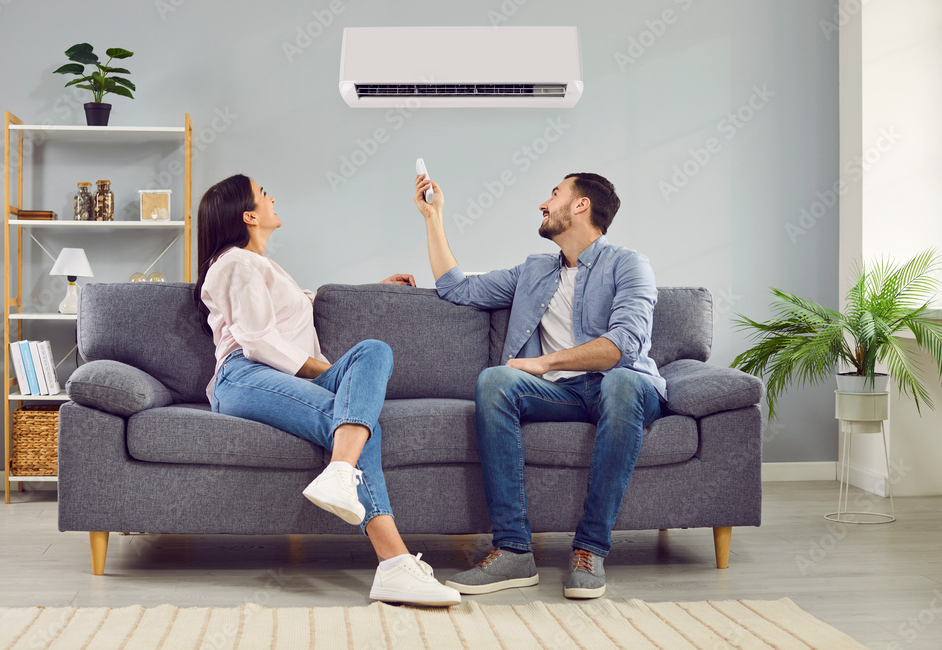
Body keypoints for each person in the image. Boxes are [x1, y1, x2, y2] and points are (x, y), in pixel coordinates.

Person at [195, 173, 460, 607]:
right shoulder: (236, 263)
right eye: (264, 194)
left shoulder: (261, 266)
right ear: (248, 216)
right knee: (355, 422)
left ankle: (340, 473)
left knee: (373, 353)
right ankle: (394, 563)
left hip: (281, 377)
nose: (272, 196)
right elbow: (259, 342)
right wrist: (329, 371)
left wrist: (376, 290)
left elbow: (301, 307)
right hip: (243, 376)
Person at [413, 171, 666, 599]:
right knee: (495, 380)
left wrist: (544, 361)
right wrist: (432, 216)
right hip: (562, 395)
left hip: (624, 388)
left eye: (554, 194)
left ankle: (589, 549)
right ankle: (512, 550)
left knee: (620, 382)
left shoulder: (629, 264)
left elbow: (622, 346)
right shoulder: (533, 271)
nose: (543, 204)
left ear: (581, 205)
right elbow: (456, 288)